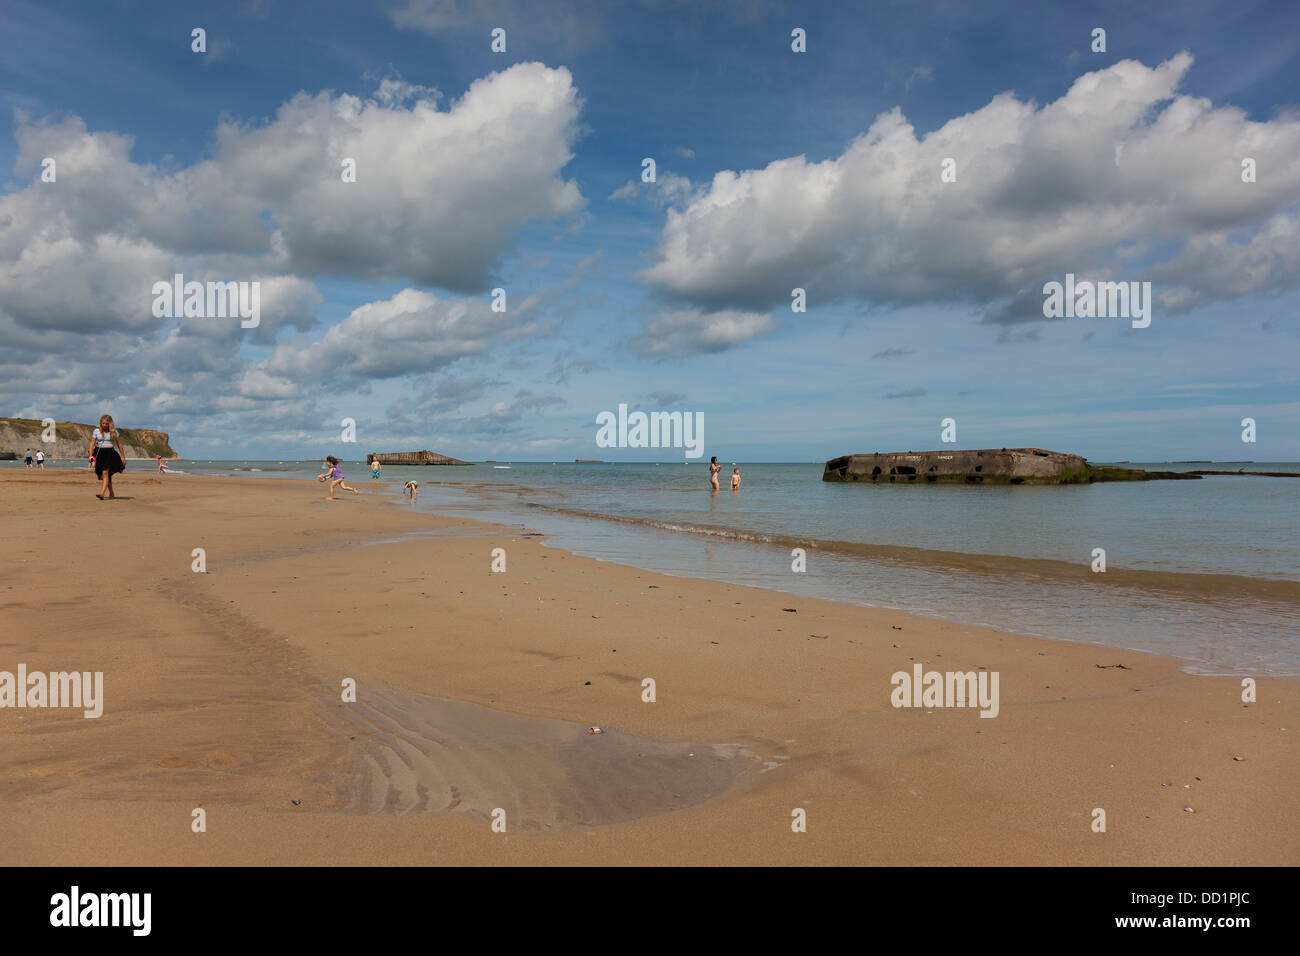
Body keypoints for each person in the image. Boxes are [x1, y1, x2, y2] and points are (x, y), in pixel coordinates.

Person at [88, 414, 126, 499]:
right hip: (99, 453)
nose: (104, 425)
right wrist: (90, 456)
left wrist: (123, 457)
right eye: (103, 423)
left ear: (110, 424)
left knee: (105, 473)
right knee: (105, 474)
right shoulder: (96, 431)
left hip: (110, 453)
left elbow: (119, 444)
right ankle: (111, 493)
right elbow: (92, 444)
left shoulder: (114, 432)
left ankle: (102, 493)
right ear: (100, 423)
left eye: (106, 423)